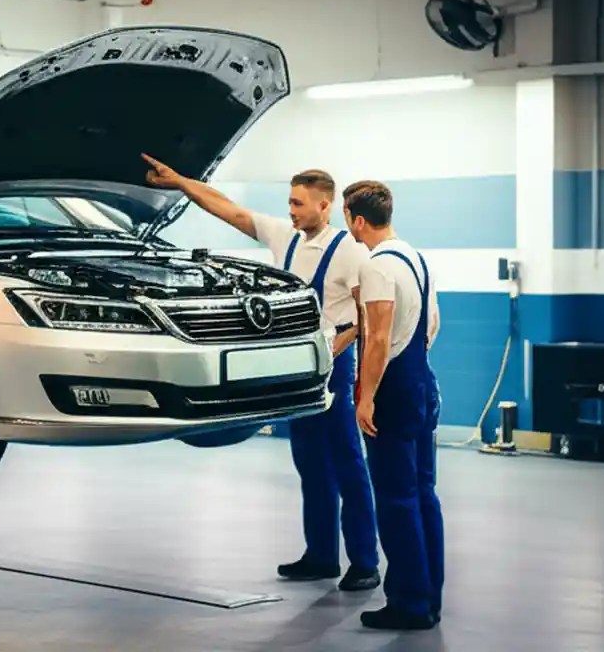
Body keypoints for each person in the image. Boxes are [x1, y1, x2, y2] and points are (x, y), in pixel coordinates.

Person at [142, 153, 380, 593]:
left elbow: (367, 317)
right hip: (296, 371)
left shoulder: (349, 251)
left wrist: (334, 348)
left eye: (298, 205)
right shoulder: (283, 236)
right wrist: (180, 181)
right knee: (310, 464)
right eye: (289, 203)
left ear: (324, 205)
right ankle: (321, 556)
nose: (290, 211)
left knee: (348, 465)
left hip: (335, 370)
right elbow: (226, 207)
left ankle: (365, 562)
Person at [341, 180, 443, 631]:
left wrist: (365, 397)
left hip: (394, 391)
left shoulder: (377, 267)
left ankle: (408, 603)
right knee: (423, 494)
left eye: (347, 218)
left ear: (358, 219)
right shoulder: (417, 258)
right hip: (422, 382)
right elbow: (433, 324)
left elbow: (378, 338)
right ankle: (429, 595)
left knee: (396, 499)